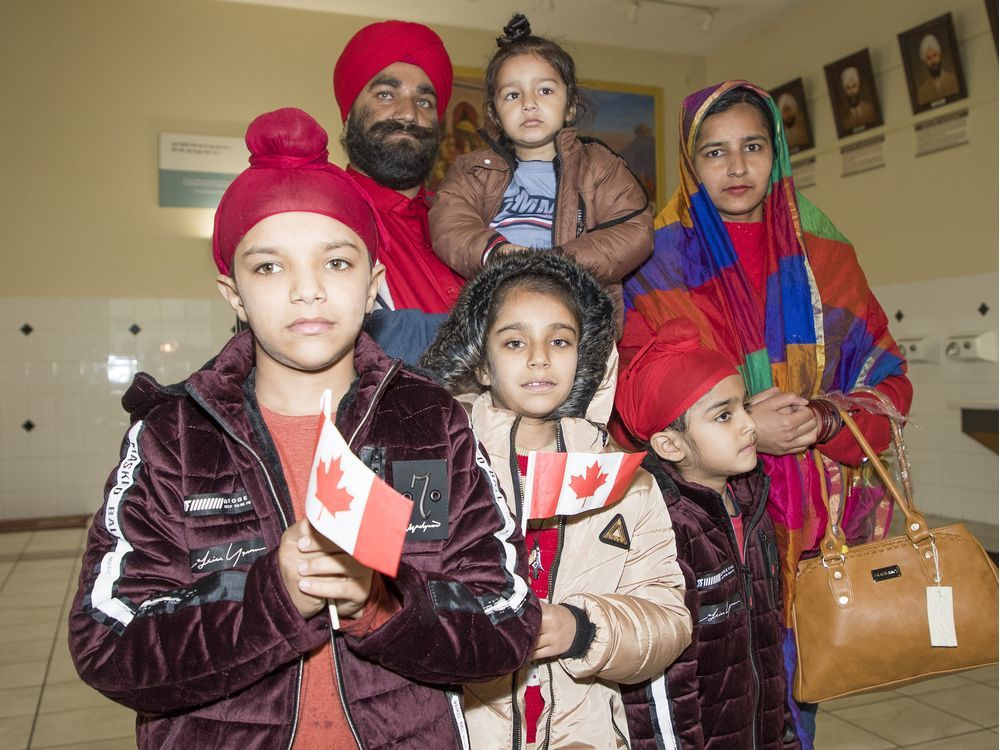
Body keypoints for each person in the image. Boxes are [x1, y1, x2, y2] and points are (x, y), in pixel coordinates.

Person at [69, 107, 540, 749]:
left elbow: (506, 621)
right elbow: (109, 643)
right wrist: (272, 595)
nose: (306, 291)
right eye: (268, 267)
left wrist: (385, 602)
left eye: (337, 263)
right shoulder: (171, 437)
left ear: (375, 282)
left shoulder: (433, 422)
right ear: (232, 293)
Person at [619, 81, 912, 748]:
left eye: (753, 146)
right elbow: (633, 394)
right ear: (691, 161)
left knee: (795, 700)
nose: (738, 167)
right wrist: (742, 422)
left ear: (776, 151)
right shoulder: (656, 257)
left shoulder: (822, 248)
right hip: (706, 530)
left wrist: (824, 420)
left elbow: (889, 378)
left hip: (813, 532)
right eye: (716, 152)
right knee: (711, 702)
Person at [421, 251, 692, 749]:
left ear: (583, 355)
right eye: (515, 341)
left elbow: (670, 618)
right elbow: (401, 604)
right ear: (481, 363)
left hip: (583, 734)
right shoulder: (436, 468)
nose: (539, 357)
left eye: (560, 340)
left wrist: (583, 629)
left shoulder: (624, 481)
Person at [615, 317, 799, 750]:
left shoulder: (752, 509)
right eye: (724, 416)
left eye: (744, 408)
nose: (750, 426)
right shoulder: (665, 530)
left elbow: (767, 652)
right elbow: (657, 685)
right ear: (671, 446)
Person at [428, 14, 653, 331]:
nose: (529, 104)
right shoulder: (472, 170)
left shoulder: (600, 166)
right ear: (494, 112)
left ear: (570, 104)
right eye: (512, 95)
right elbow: (448, 221)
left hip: (578, 317)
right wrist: (495, 251)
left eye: (545, 90)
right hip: (497, 315)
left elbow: (633, 229)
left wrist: (563, 262)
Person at [333, 20, 466, 361]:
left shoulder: (469, 220)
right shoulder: (324, 220)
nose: (408, 113)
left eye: (424, 101)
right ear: (348, 114)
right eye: (386, 95)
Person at [916, 33, 960, 106]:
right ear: (925, 62)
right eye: (929, 58)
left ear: (939, 55)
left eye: (935, 55)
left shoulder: (954, 80)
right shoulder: (922, 92)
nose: (933, 61)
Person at [838, 66, 877, 132]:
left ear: (859, 86)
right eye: (848, 88)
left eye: (854, 86)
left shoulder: (870, 109)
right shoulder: (844, 119)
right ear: (844, 91)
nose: (852, 91)